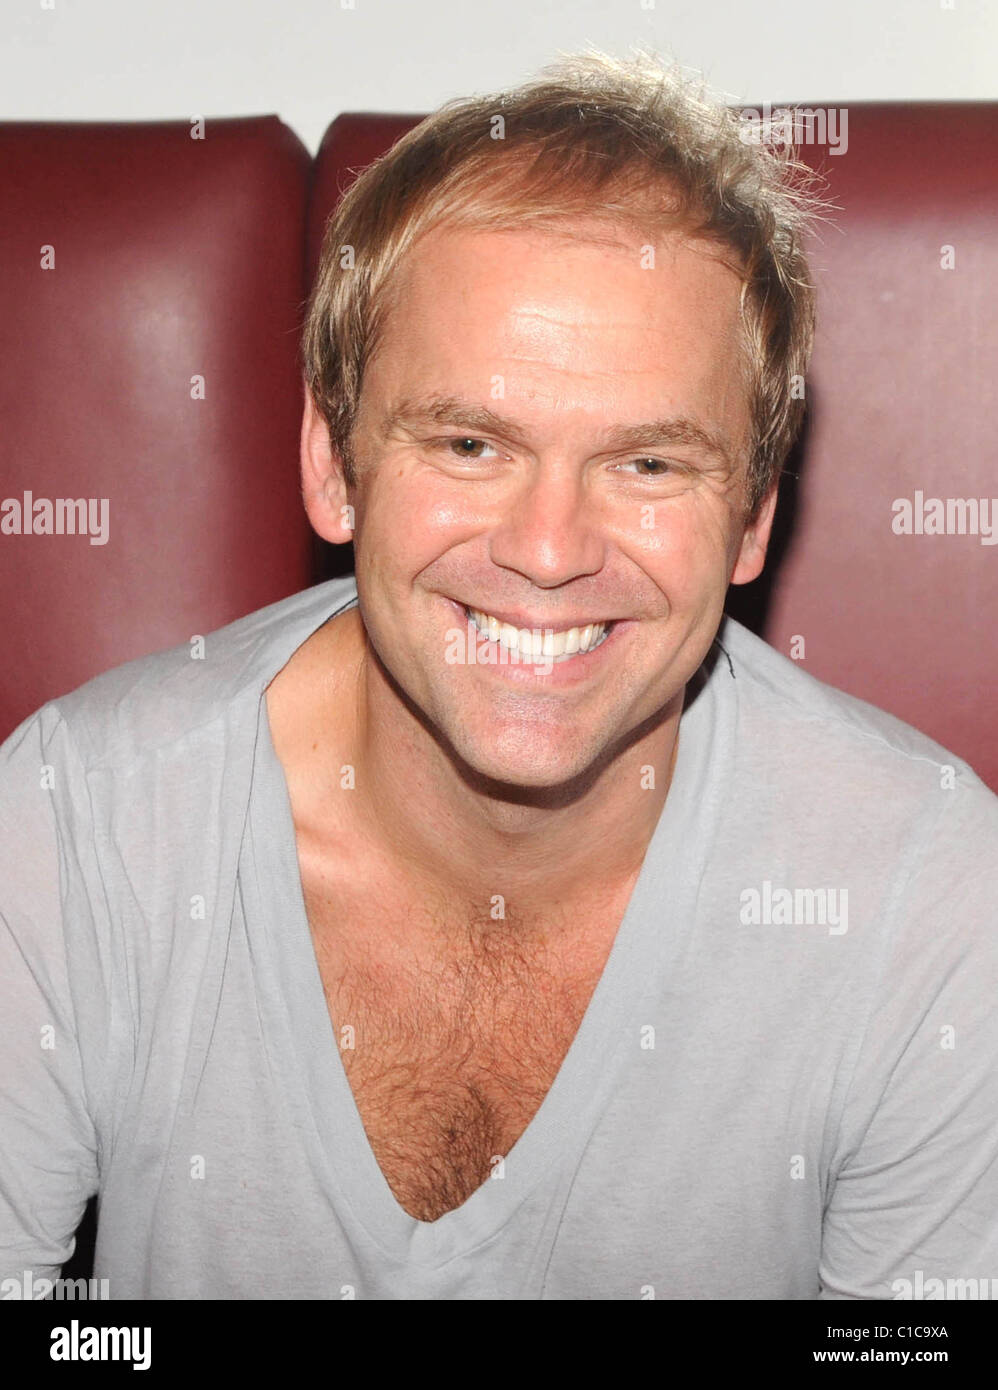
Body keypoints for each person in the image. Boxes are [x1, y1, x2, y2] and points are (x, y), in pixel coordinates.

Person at [2, 49, 997, 1302]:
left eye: (646, 465)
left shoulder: (932, 901)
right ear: (334, 463)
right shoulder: (74, 826)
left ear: (750, 518)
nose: (545, 552)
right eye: (470, 443)